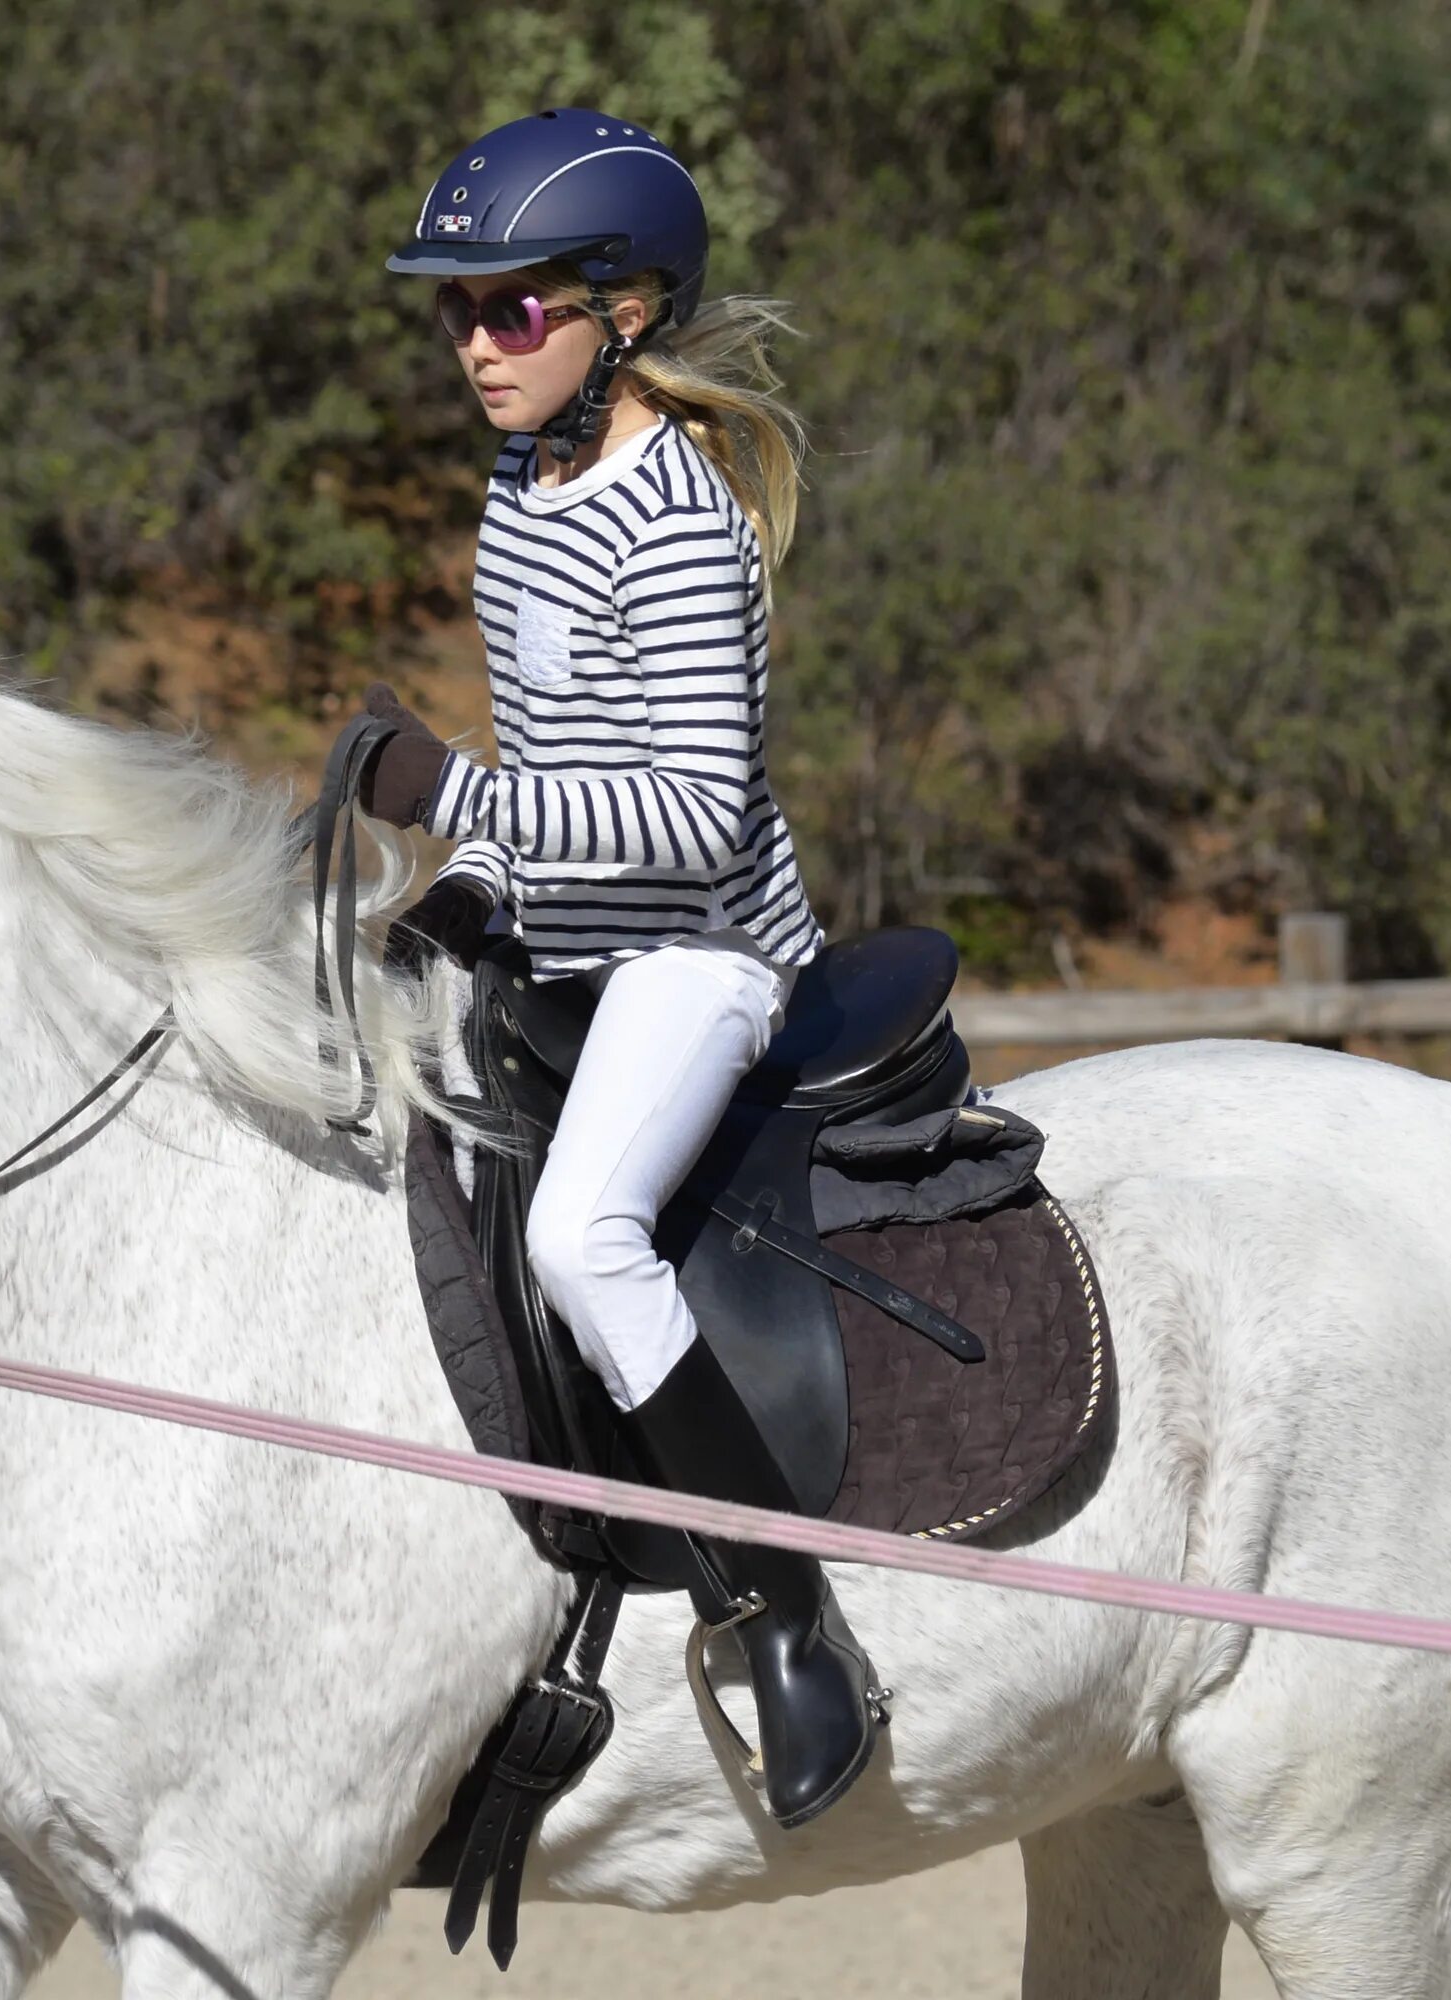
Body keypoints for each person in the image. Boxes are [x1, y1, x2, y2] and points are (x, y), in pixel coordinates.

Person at [355, 108, 884, 1829]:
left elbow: (688, 810)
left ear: (627, 309)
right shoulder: (525, 478)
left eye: (511, 310)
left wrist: (463, 801)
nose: (474, 347)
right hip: (568, 931)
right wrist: (467, 883)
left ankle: (785, 1614)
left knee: (583, 1234)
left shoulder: (680, 514)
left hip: (702, 953)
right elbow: (553, 736)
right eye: (456, 313)